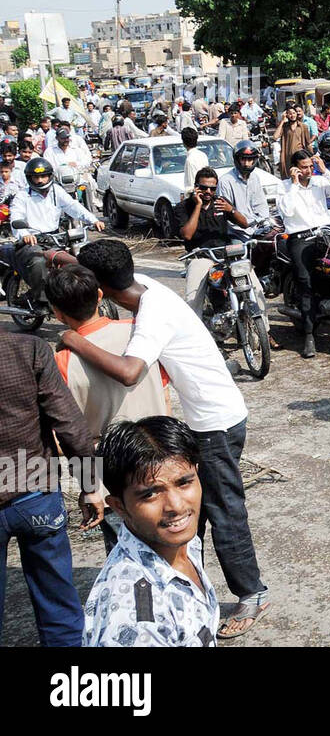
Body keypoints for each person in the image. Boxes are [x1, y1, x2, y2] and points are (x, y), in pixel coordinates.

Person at [64, 239, 270, 639]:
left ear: (102, 290)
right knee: (195, 516)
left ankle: (252, 594)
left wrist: (75, 340)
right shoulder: (143, 284)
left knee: (222, 509)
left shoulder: (152, 316)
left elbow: (129, 372)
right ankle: (195, 586)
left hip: (215, 424)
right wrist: (56, 257)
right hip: (207, 417)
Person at [48, 263, 170, 552]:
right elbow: (165, 401)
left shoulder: (63, 362)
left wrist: (89, 486)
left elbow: (66, 436)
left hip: (112, 480)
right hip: (162, 459)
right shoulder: (140, 335)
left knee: (127, 560)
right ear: (100, 295)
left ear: (56, 312)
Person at [0, 324, 101, 646]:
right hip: (34, 494)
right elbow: (70, 424)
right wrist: (89, 485)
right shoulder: (28, 348)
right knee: (59, 603)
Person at [82, 416, 219, 646]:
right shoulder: (139, 624)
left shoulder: (179, 542)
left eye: (184, 482)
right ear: (118, 507)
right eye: (150, 494)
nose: (176, 506)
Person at [279, 149, 330, 357]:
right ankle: (309, 335)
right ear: (294, 168)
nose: (309, 171)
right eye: (304, 167)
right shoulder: (284, 187)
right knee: (306, 283)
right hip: (299, 238)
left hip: (324, 235)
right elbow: (288, 211)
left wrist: (324, 170)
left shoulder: (319, 182)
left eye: (310, 166)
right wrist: (294, 184)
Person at [10, 157, 103, 309]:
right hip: (31, 241)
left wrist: (93, 220)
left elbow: (73, 206)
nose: (40, 180)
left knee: (78, 259)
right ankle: (41, 301)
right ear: (29, 178)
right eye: (36, 177)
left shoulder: (56, 191)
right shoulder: (22, 196)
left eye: (43, 176)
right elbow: (16, 216)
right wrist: (24, 234)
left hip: (54, 238)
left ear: (50, 176)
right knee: (38, 262)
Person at [180, 167, 247, 315]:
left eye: (212, 188)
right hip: (200, 257)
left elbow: (244, 224)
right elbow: (187, 235)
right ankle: (195, 334)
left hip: (225, 255)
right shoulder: (184, 207)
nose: (208, 192)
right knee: (193, 299)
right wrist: (198, 205)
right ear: (196, 187)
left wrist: (231, 210)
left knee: (253, 285)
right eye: (204, 188)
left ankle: (261, 332)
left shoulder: (221, 203)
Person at [218, 140, 277, 237]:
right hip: (236, 232)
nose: (246, 163)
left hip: (257, 229)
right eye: (243, 159)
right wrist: (249, 224)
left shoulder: (255, 178)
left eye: (250, 160)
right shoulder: (225, 181)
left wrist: (263, 224)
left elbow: (261, 206)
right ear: (237, 159)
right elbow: (227, 215)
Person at [275, 104, 312, 178]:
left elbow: (308, 143)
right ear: (287, 115)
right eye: (290, 113)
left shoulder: (303, 127)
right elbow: (275, 137)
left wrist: (311, 156)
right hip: (287, 157)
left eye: (294, 113)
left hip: (299, 156)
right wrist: (282, 120)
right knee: (288, 177)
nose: (292, 115)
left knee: (301, 175)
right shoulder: (284, 126)